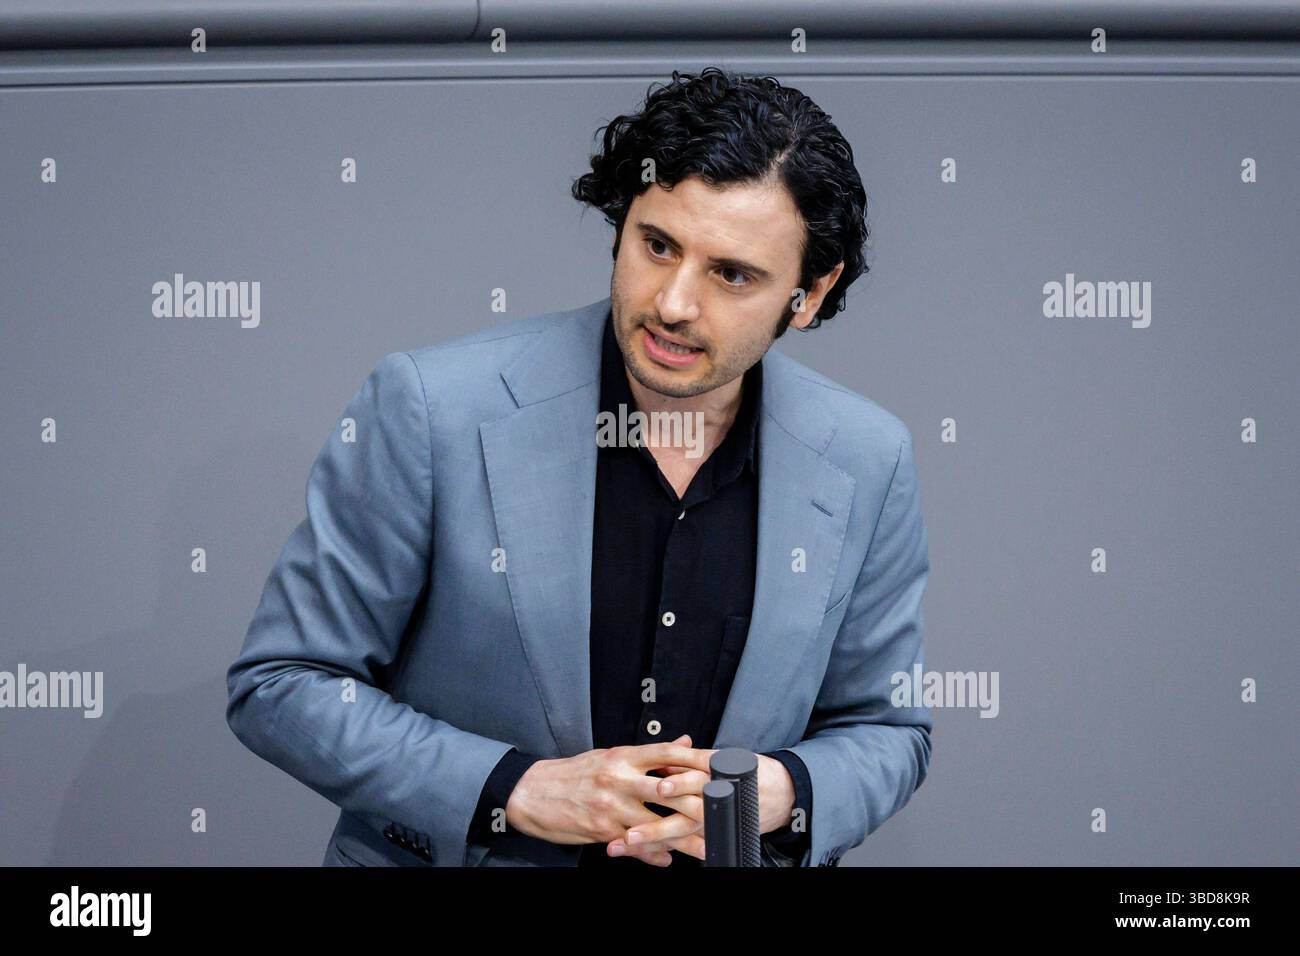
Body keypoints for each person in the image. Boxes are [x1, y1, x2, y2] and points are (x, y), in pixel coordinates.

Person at [225, 66, 932, 868]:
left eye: (731, 274)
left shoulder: (869, 457)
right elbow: (282, 683)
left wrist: (789, 792)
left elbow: (889, 728)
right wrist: (511, 789)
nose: (672, 302)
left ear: (810, 292)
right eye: (656, 245)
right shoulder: (430, 407)